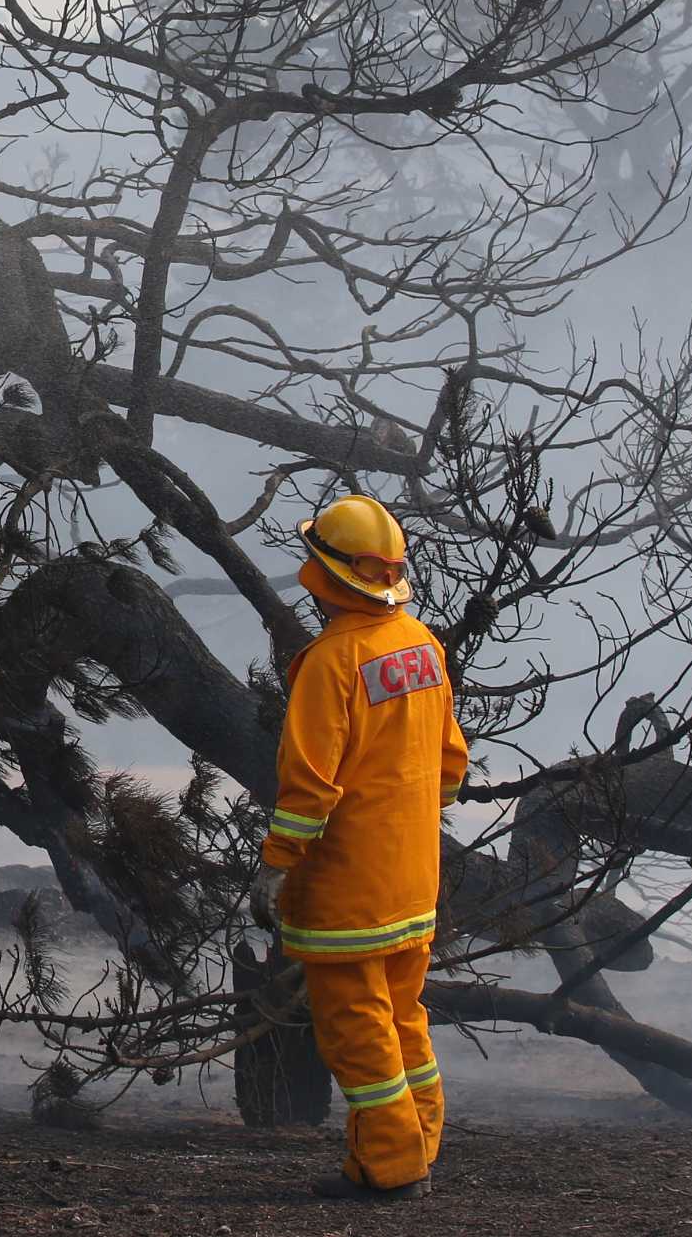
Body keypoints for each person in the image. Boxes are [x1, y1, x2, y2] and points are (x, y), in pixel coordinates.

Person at [249, 493, 469, 1202]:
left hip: (347, 890)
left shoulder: (331, 661)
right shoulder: (423, 646)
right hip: (412, 883)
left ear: (324, 574)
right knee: (404, 1020)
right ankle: (411, 1147)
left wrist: (273, 867)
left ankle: (394, 1166)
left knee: (355, 1033)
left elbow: (309, 789)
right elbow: (450, 767)